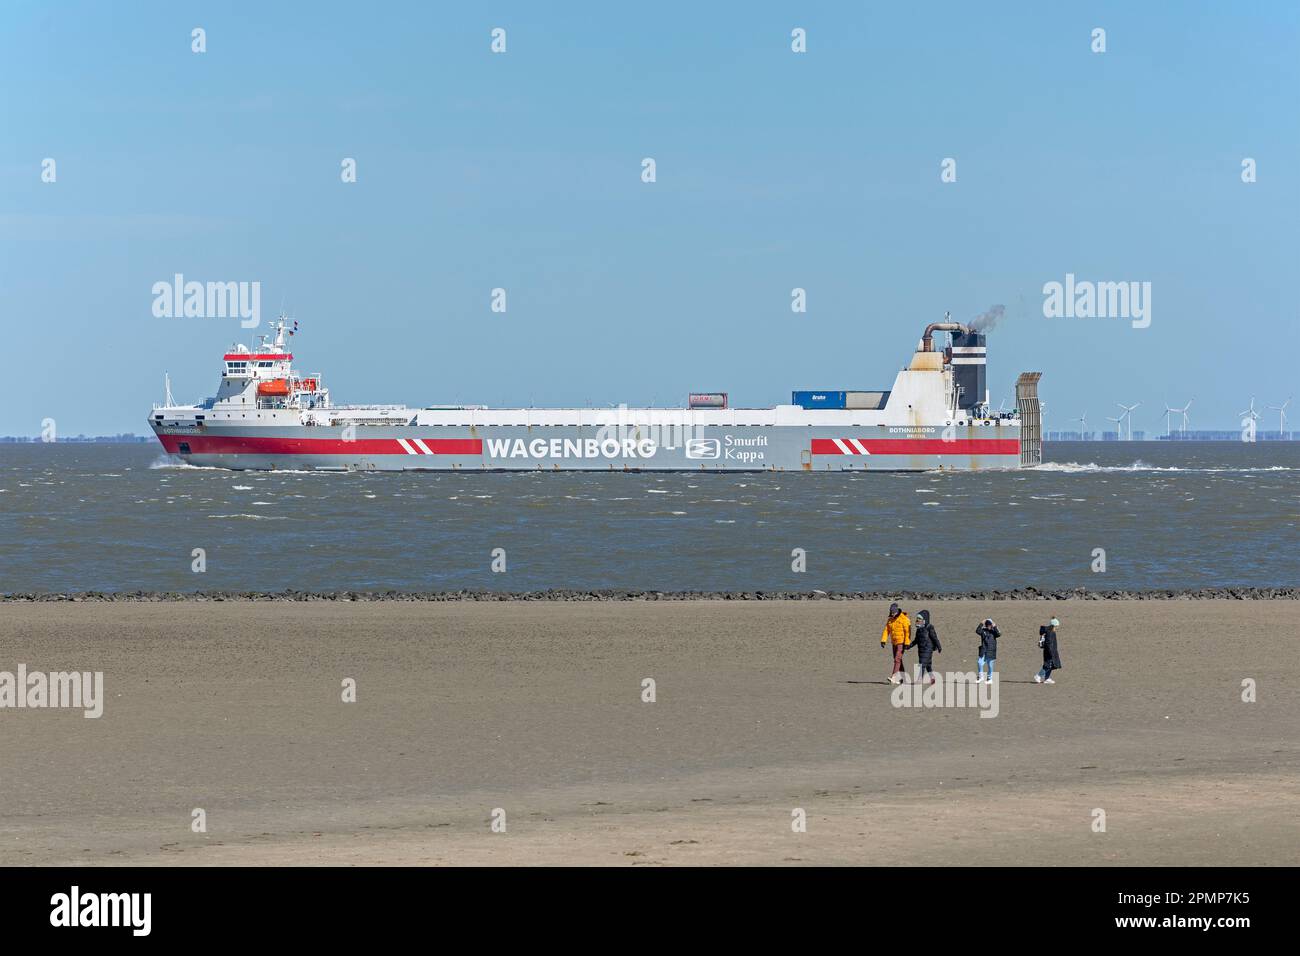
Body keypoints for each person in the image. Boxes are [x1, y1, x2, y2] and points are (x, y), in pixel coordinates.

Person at [880, 602, 912, 684]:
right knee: (898, 660)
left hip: (902, 643)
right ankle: (903, 678)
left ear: (897, 611)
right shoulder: (890, 619)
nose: (892, 614)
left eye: (893, 612)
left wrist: (907, 642)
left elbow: (908, 632)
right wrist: (883, 640)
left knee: (897, 659)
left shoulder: (904, 619)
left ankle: (894, 677)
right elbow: (886, 630)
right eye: (891, 612)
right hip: (894, 642)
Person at [911, 609, 942, 684]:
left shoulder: (929, 627)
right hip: (921, 649)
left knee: (921, 664)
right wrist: (909, 646)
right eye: (917, 618)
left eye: (920, 619)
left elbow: (934, 638)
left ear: (924, 619)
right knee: (928, 665)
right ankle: (932, 678)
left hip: (928, 648)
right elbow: (916, 640)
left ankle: (919, 680)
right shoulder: (918, 629)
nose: (918, 620)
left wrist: (939, 646)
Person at [1036, 618, 1062, 684]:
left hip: (1051, 651)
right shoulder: (1050, 632)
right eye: (1057, 626)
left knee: (1052, 665)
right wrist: (1051, 652)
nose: (1057, 627)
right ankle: (1038, 675)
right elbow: (1049, 643)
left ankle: (1047, 678)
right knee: (1048, 665)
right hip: (1049, 651)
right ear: (1054, 625)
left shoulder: (1051, 631)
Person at [975, 618, 999, 683]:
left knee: (990, 665)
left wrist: (995, 626)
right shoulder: (983, 631)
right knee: (979, 662)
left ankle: (989, 678)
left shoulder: (994, 631)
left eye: (990, 625)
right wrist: (981, 623)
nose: (988, 626)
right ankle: (981, 677)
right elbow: (977, 631)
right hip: (983, 650)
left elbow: (999, 634)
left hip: (991, 651)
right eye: (987, 624)